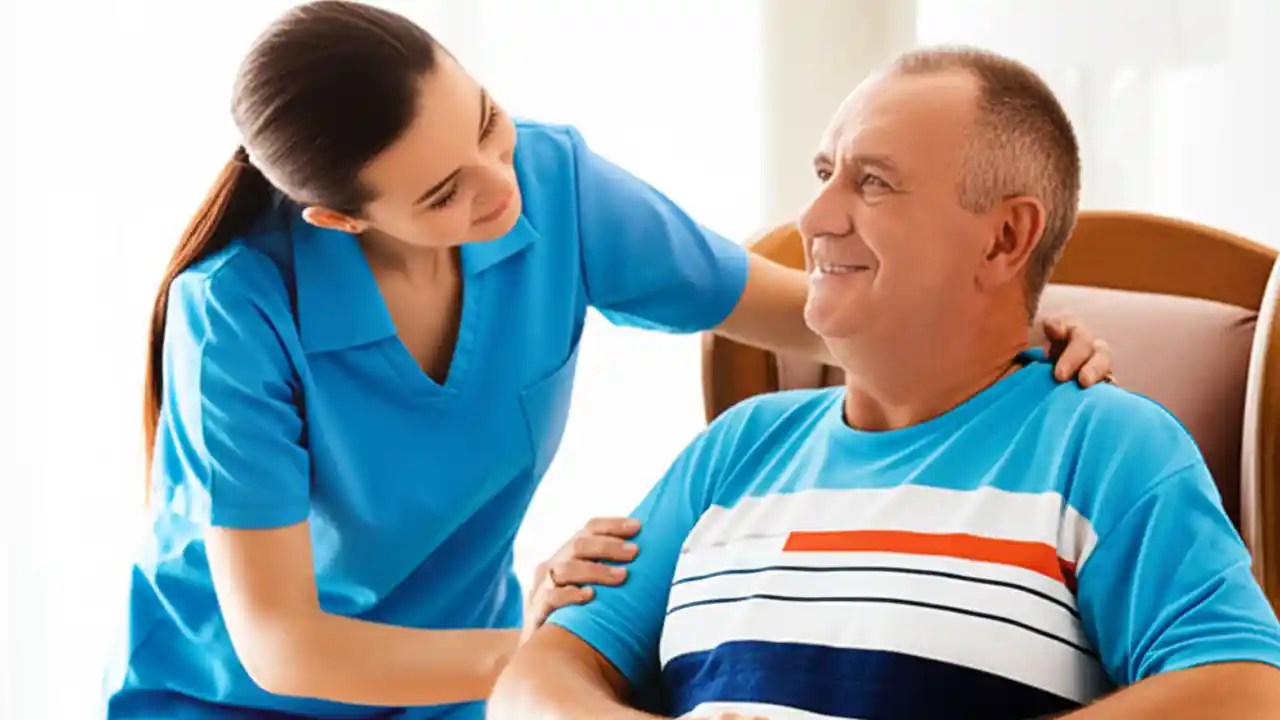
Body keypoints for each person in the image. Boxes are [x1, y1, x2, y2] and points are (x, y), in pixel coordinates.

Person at [103, 3, 1114, 718]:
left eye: (489, 124)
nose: (499, 185)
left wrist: (1018, 327)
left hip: (470, 689)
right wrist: (573, 658)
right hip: (237, 700)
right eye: (444, 194)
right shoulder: (235, 311)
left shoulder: (554, 183)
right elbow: (285, 646)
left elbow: (819, 314)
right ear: (339, 218)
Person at [489, 47, 1280, 720]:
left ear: (1006, 238)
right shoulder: (738, 448)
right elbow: (538, 678)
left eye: (872, 183)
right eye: (826, 172)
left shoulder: (1104, 445)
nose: (814, 216)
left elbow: (1244, 692)